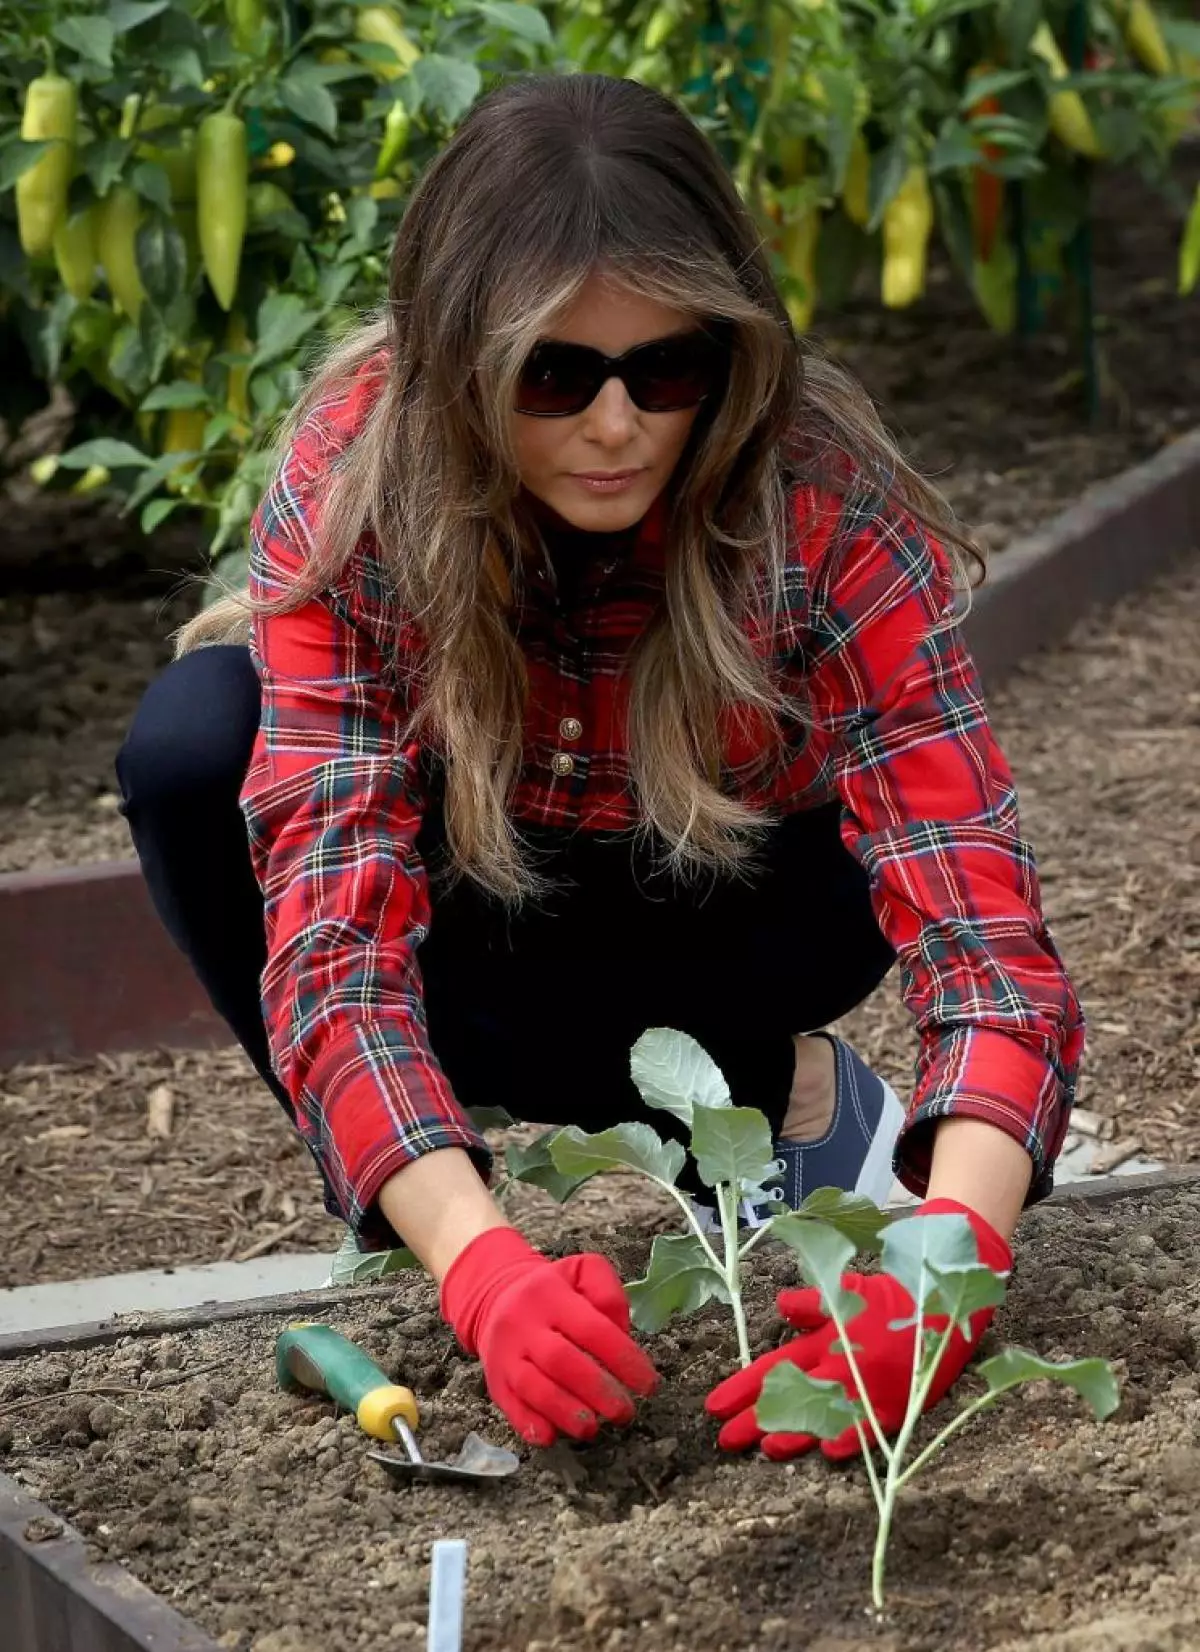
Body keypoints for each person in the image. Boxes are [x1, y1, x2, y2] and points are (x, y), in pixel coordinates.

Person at [116, 73, 1082, 1460]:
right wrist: (481, 1271)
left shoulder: (815, 500)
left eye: (667, 369)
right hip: (487, 903)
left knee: (819, 887)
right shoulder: (361, 487)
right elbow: (332, 945)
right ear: (459, 360)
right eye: (556, 375)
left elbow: (991, 944)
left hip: (737, 907)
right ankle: (420, 1196)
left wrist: (951, 1258)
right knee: (195, 745)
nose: (617, 425)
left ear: (728, 355)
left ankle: (775, 1092)